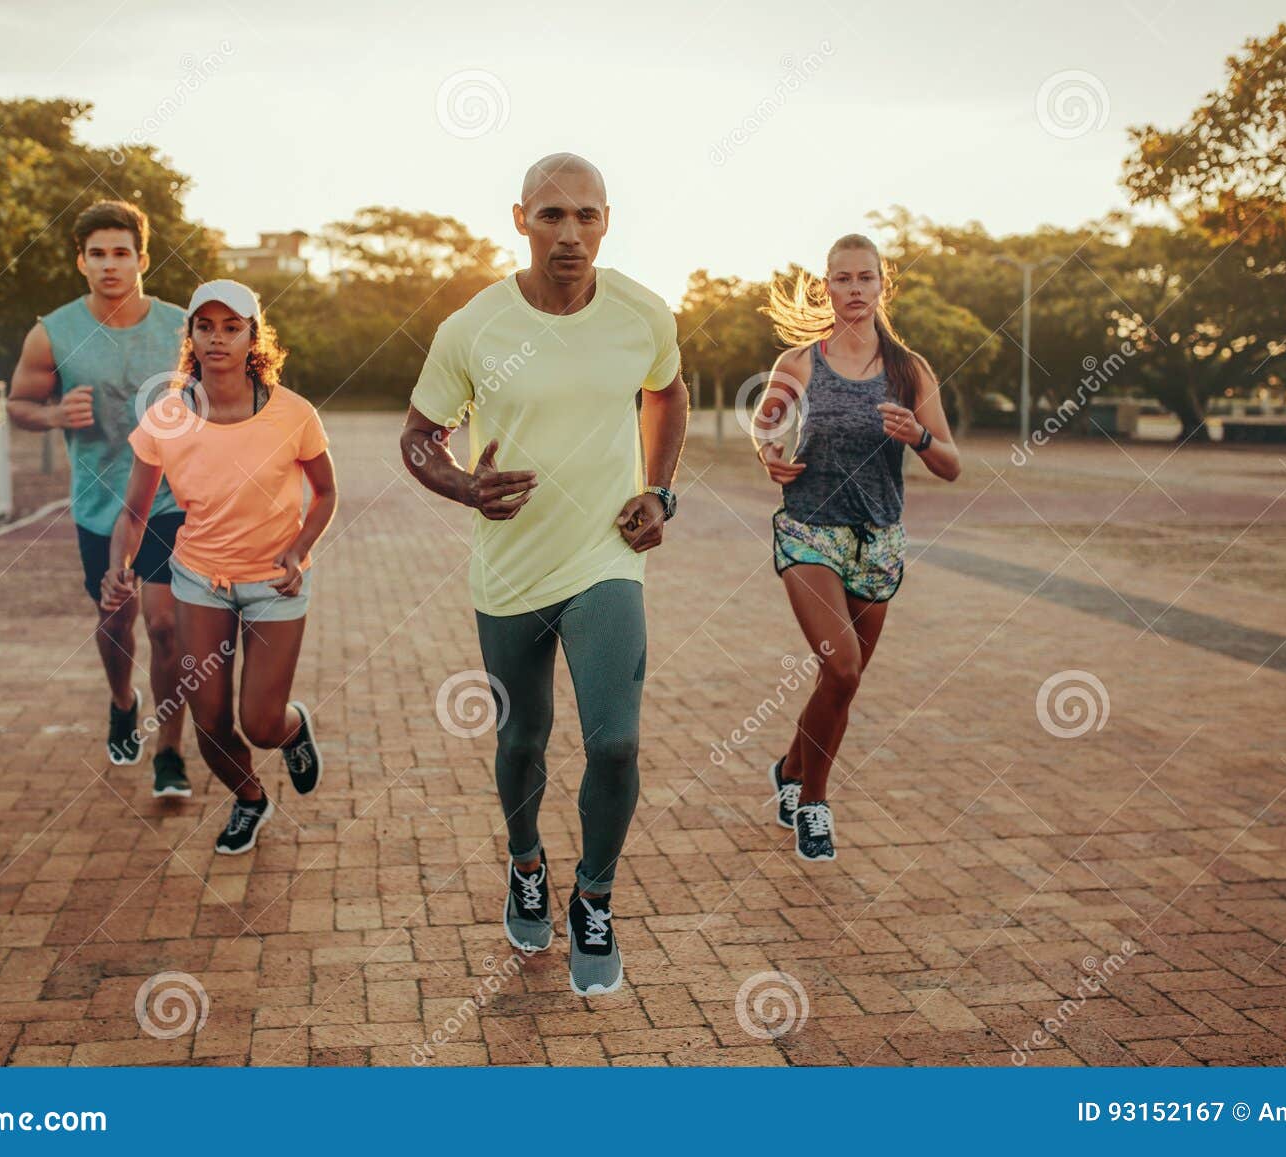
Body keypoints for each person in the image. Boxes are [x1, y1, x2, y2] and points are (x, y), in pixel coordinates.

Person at [400, 153, 689, 996]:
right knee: (522, 739)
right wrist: (464, 484)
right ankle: (526, 861)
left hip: (607, 557)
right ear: (519, 218)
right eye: (552, 216)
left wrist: (660, 491)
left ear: (608, 221)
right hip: (512, 569)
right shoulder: (474, 328)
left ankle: (593, 896)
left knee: (616, 740)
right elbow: (418, 437)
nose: (570, 234)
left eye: (587, 217)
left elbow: (665, 395)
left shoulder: (642, 313)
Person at [101, 280, 336, 855]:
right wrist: (118, 567)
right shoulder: (167, 418)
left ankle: (291, 727)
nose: (218, 338)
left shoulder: (292, 412)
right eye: (205, 327)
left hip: (274, 585)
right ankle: (250, 798)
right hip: (199, 580)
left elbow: (326, 494)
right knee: (209, 719)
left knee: (259, 722)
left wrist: (298, 549)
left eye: (232, 327)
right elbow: (134, 509)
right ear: (191, 336)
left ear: (254, 337)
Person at [753, 234, 961, 862]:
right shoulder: (799, 362)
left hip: (879, 538)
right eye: (841, 279)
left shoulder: (909, 369)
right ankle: (813, 803)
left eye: (865, 278)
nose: (854, 290)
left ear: (881, 286)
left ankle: (790, 770)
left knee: (841, 684)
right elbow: (767, 423)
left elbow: (951, 464)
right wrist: (769, 454)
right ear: (827, 287)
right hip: (811, 528)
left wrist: (920, 436)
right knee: (841, 667)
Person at [7, 200, 193, 796]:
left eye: (121, 253)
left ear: (142, 258)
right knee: (117, 620)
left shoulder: (183, 326)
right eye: (97, 254)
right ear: (81, 262)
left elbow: (225, 393)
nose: (110, 265)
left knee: (166, 625)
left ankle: (169, 751)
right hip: (98, 504)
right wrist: (55, 413)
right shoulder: (53, 331)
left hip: (169, 501)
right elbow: (18, 405)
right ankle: (122, 699)